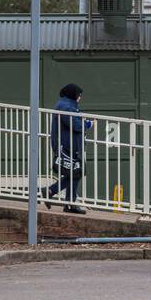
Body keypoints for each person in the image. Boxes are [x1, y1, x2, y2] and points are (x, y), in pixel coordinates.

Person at [46, 84, 93, 215]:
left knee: (73, 173)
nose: (80, 98)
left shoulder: (67, 104)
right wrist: (88, 124)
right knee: (75, 173)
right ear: (73, 94)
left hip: (70, 145)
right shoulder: (66, 106)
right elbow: (76, 125)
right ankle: (53, 193)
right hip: (67, 145)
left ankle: (67, 202)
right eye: (79, 95)